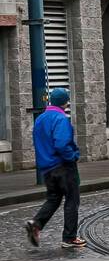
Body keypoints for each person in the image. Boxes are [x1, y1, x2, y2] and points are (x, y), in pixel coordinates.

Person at [25, 87, 86, 251]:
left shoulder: (40, 119)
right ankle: (70, 237)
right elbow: (61, 144)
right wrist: (72, 156)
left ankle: (36, 223)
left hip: (46, 168)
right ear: (65, 103)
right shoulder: (60, 119)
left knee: (53, 198)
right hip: (63, 166)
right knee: (72, 200)